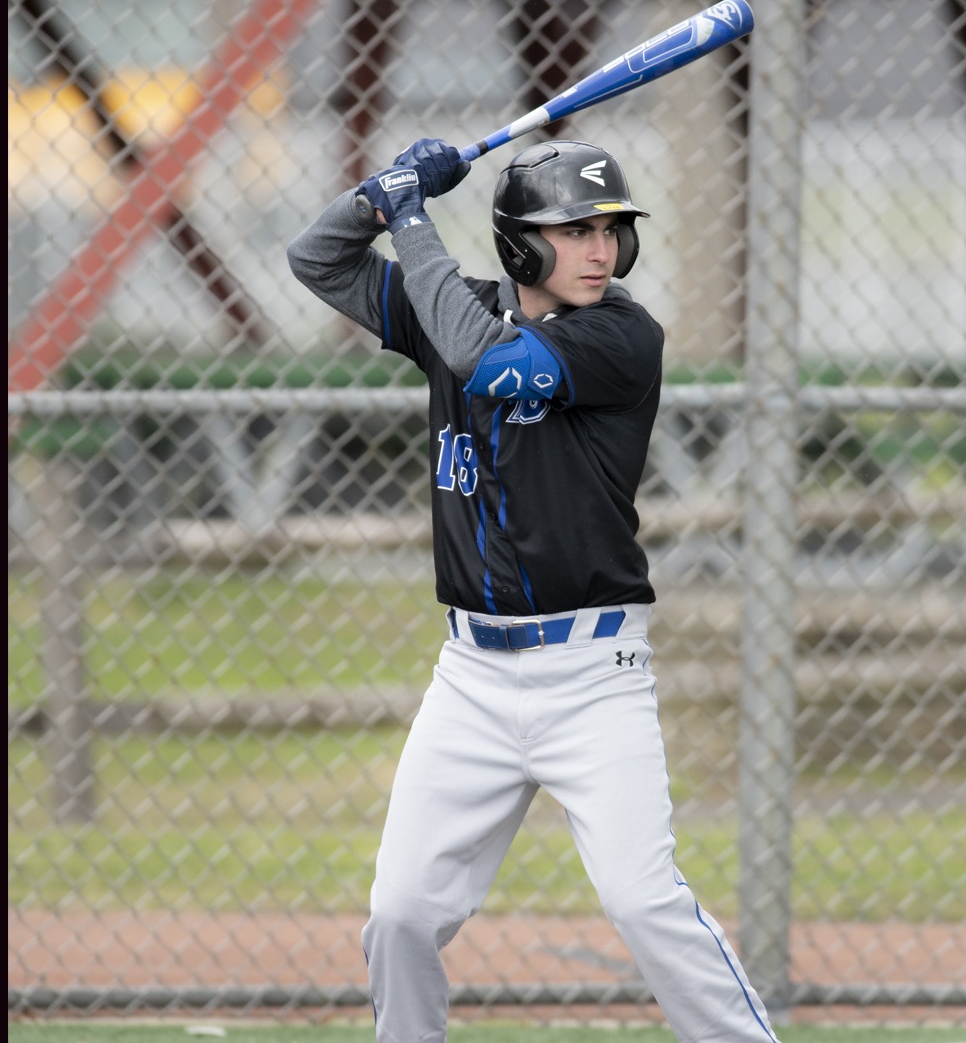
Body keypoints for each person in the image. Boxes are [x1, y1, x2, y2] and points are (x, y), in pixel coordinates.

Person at [286, 137, 780, 1043]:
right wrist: (380, 195)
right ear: (520, 246)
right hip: (470, 677)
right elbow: (315, 257)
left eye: (610, 232)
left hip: (593, 672)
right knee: (399, 914)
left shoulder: (622, 336)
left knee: (643, 901)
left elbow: (485, 361)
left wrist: (409, 218)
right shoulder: (452, 306)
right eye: (574, 231)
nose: (601, 251)